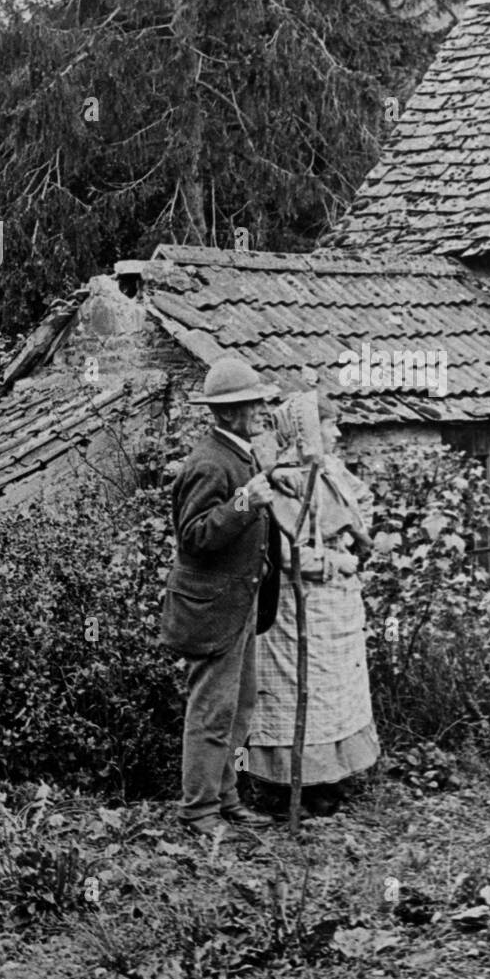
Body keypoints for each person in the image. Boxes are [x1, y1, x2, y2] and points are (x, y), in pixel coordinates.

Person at [159, 356, 282, 835]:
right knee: (211, 710)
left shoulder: (240, 453)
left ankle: (225, 797)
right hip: (213, 608)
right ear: (229, 413)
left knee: (238, 707)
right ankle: (198, 810)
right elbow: (193, 536)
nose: (260, 411)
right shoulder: (210, 462)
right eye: (252, 405)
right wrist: (243, 502)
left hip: (240, 603)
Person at [245, 391, 380, 817]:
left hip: (336, 605)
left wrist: (352, 543)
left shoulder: (330, 472)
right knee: (295, 690)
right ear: (306, 431)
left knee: (335, 691)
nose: (337, 432)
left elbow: (359, 512)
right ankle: (285, 788)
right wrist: (335, 560)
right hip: (294, 606)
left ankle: (328, 780)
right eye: (329, 425)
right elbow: (287, 555)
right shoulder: (282, 481)